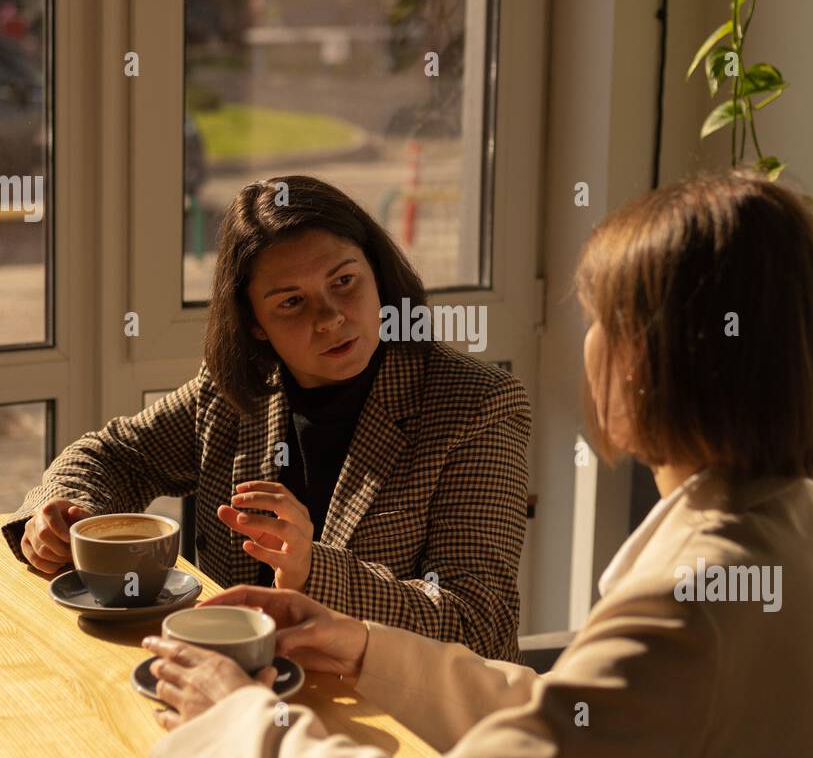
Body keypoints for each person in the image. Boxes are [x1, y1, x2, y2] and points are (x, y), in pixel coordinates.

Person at [146, 170, 813, 758]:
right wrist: (366, 650)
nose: (586, 346)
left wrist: (239, 719)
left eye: (601, 322)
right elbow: (579, 715)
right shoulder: (805, 526)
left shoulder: (690, 604)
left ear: (656, 361)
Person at [2, 176, 531, 661]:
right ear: (254, 324)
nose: (330, 318)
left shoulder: (476, 404)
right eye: (291, 302)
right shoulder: (240, 391)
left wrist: (311, 570)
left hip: (414, 729)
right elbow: (115, 454)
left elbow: (477, 624)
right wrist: (64, 513)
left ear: (379, 275)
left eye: (344, 281)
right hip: (250, 692)